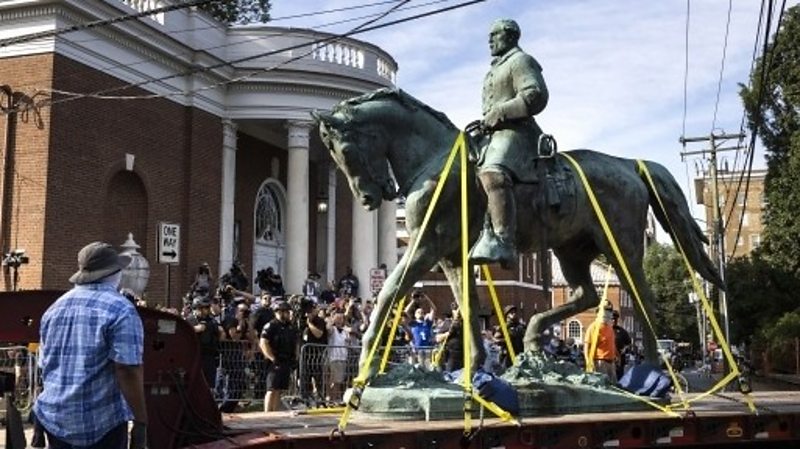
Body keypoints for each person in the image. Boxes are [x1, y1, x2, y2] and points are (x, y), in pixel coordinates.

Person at [33, 242, 147, 449]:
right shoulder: (122, 310)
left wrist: (39, 423)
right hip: (101, 423)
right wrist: (140, 422)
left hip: (55, 419)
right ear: (114, 273)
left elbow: (46, 366)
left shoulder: (54, 309)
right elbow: (127, 369)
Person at [470, 18, 549, 267]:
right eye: (489, 36)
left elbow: (535, 95)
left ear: (511, 36)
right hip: (491, 135)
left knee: (492, 173)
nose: (490, 40)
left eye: (495, 35)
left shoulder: (520, 61)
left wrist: (500, 112)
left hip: (518, 133)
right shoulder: (494, 69)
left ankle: (504, 241)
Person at [259, 301, 298, 412]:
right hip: (274, 361)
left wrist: (294, 358)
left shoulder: (290, 327)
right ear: (280, 312)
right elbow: (263, 343)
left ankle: (274, 413)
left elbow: (294, 343)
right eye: (287, 312)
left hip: (286, 360)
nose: (289, 314)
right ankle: (267, 414)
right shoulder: (271, 325)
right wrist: (272, 358)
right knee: (271, 389)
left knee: (279, 390)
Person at [186, 295, 225, 388]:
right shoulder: (190, 320)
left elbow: (220, 333)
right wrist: (195, 329)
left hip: (209, 356)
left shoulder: (211, 321)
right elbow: (184, 332)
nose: (207, 310)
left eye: (208, 307)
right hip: (195, 356)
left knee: (209, 383)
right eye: (205, 307)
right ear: (198, 308)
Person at [584, 306, 618, 383]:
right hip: (600, 361)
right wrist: (588, 361)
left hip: (611, 362)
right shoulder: (594, 327)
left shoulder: (609, 327)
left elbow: (612, 344)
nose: (609, 316)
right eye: (606, 313)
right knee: (603, 384)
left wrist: (617, 355)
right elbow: (587, 346)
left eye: (610, 313)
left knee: (613, 384)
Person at [405, 290, 436, 368]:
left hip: (427, 349)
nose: (420, 313)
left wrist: (426, 298)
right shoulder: (413, 323)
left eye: (422, 312)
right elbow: (405, 312)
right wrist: (413, 301)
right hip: (416, 349)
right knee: (416, 367)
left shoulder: (427, 323)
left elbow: (434, 309)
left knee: (426, 367)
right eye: (418, 312)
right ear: (415, 315)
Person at [612, 310, 632, 380]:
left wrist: (625, 349)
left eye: (615, 319)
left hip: (619, 361)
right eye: (612, 318)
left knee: (619, 379)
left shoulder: (622, 331)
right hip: (608, 360)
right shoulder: (605, 330)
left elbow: (629, 343)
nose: (614, 320)